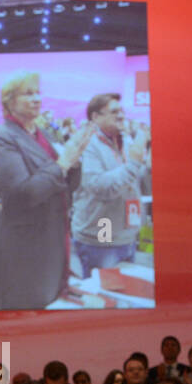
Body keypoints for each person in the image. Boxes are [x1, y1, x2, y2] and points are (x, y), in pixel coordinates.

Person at [0, 71, 94, 308]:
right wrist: (63, 163)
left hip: (52, 238)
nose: (36, 98)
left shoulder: (42, 134)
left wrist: (74, 161)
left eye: (37, 93)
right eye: (28, 94)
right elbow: (23, 193)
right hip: (26, 247)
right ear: (10, 102)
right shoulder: (2, 137)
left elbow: (66, 186)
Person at [71, 92, 150, 280]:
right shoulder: (88, 144)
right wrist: (134, 163)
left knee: (124, 293)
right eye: (114, 112)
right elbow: (101, 187)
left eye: (122, 110)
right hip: (102, 234)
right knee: (107, 291)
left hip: (127, 234)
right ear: (95, 117)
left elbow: (133, 179)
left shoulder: (125, 139)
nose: (122, 115)